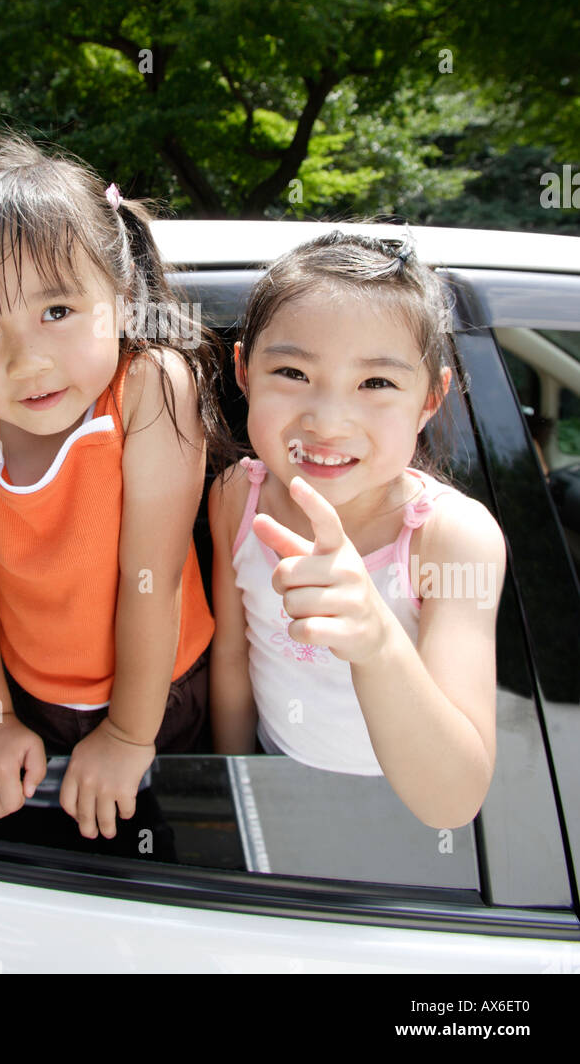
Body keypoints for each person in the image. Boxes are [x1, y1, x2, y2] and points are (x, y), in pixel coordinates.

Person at [0, 133, 225, 839]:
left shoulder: (149, 386)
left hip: (159, 691)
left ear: (120, 299)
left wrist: (128, 734)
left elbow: (151, 575)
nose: (26, 360)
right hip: (25, 691)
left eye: (57, 312)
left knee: (152, 848)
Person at [209, 230, 506, 828]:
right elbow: (233, 656)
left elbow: (453, 802)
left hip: (398, 809)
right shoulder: (237, 496)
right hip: (276, 778)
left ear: (431, 399)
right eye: (292, 372)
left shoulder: (450, 538)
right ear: (243, 371)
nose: (328, 421)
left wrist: (376, 640)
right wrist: (234, 786)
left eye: (376, 383)